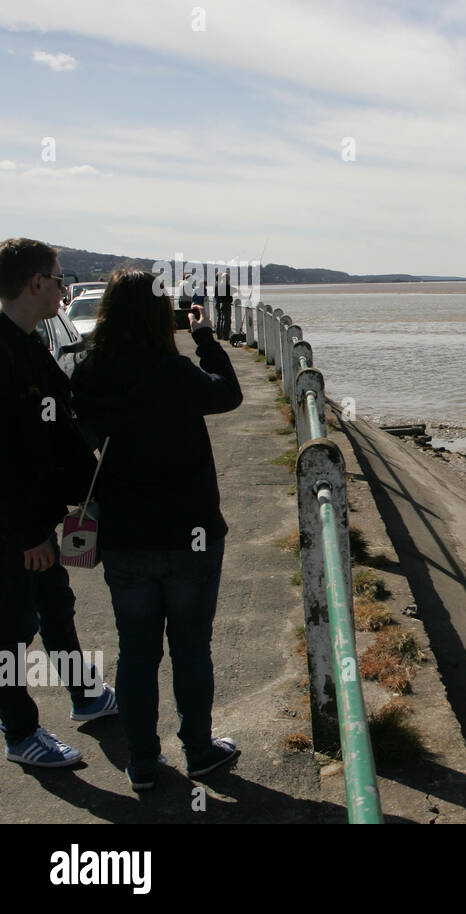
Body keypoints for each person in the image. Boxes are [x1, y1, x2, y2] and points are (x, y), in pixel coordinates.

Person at [71, 269, 243, 790]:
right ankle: (198, 751)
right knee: (192, 646)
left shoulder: (89, 372)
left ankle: (142, 763)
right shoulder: (173, 371)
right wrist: (206, 337)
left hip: (124, 535)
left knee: (137, 652)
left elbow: (82, 437)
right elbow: (228, 395)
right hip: (190, 532)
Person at [0, 238, 119, 768]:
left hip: (36, 519)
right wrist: (27, 534)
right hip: (12, 527)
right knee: (10, 630)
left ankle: (85, 696)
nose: (63, 286)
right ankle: (20, 733)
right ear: (35, 283)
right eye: (57, 275)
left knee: (56, 609)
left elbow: (57, 428)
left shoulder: (27, 343)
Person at [215, 271, 233, 342]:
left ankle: (221, 335)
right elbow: (229, 295)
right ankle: (226, 336)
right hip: (226, 304)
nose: (229, 279)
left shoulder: (220, 286)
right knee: (227, 320)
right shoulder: (227, 286)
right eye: (228, 278)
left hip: (221, 303)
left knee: (222, 319)